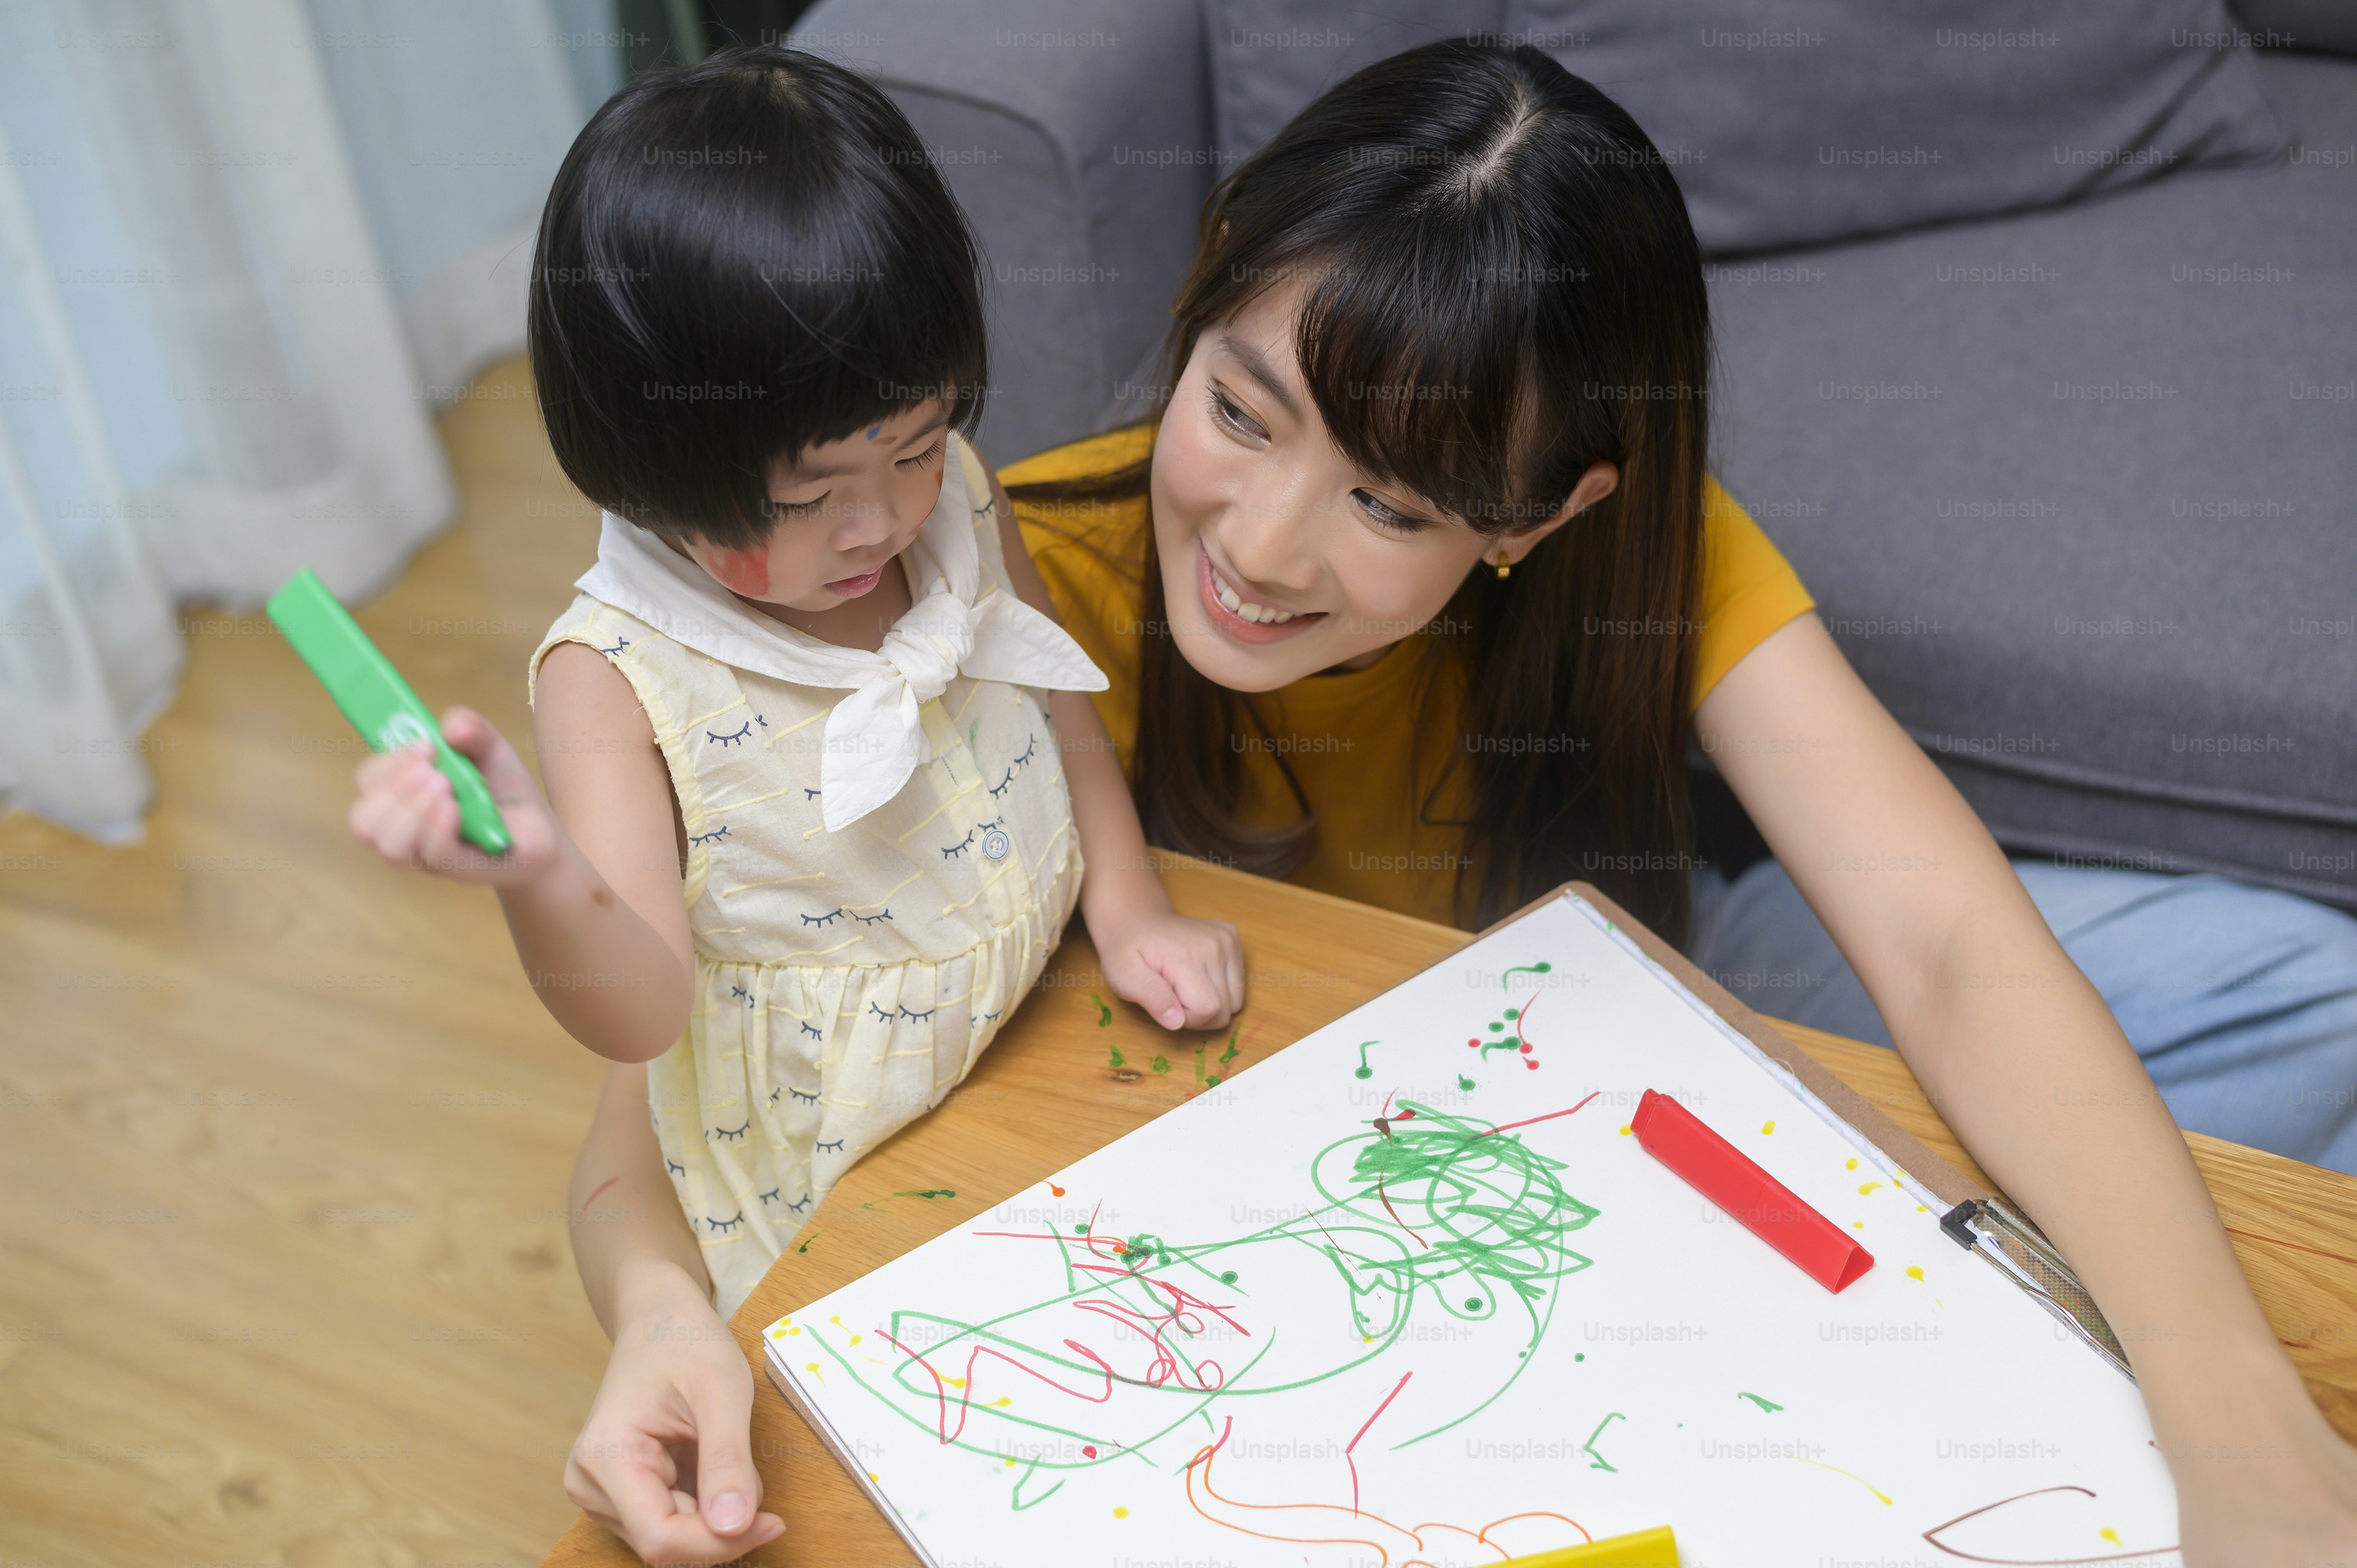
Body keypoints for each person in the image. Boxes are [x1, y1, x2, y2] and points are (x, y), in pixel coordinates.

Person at [1004, 38, 2357, 1564]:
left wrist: (2232, 1408)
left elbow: (1944, 943)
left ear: (1544, 512)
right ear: (1199, 297)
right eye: (1241, 411)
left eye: (1387, 501)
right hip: (1323, 1155)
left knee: (2311, 995)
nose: (1258, 545)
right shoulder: (1024, 585)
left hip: (1649, 1016)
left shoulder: (1640, 550)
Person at [344, 47, 1241, 1564]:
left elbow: (1047, 692)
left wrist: (1129, 897)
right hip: (831, 1167)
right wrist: (536, 872)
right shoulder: (618, 676)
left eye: (914, 441)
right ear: (653, 471)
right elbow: (638, 1016)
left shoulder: (953, 494)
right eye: (812, 493)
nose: (881, 517)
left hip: (1036, 1036)